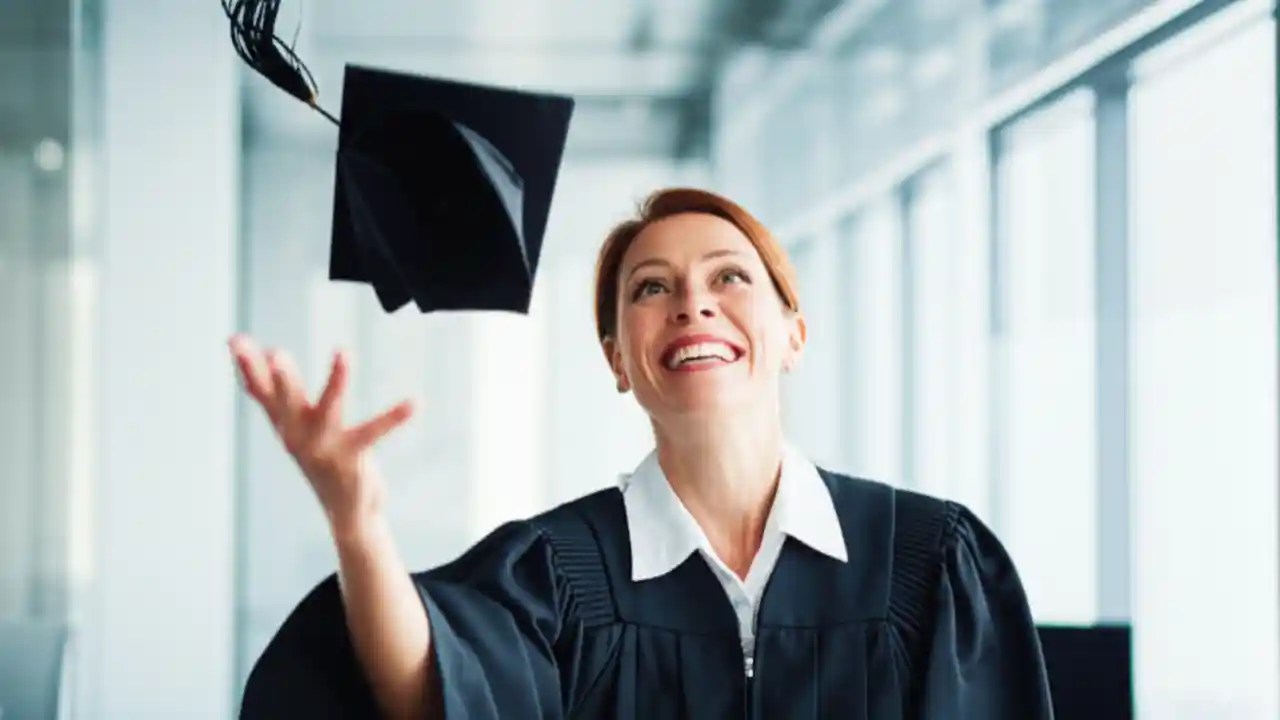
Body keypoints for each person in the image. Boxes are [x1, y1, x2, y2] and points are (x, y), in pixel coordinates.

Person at [229, 187, 1055, 719]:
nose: (692, 302)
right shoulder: (552, 575)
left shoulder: (927, 561)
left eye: (729, 277)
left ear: (793, 334)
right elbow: (434, 693)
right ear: (619, 359)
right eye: (650, 288)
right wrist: (358, 524)